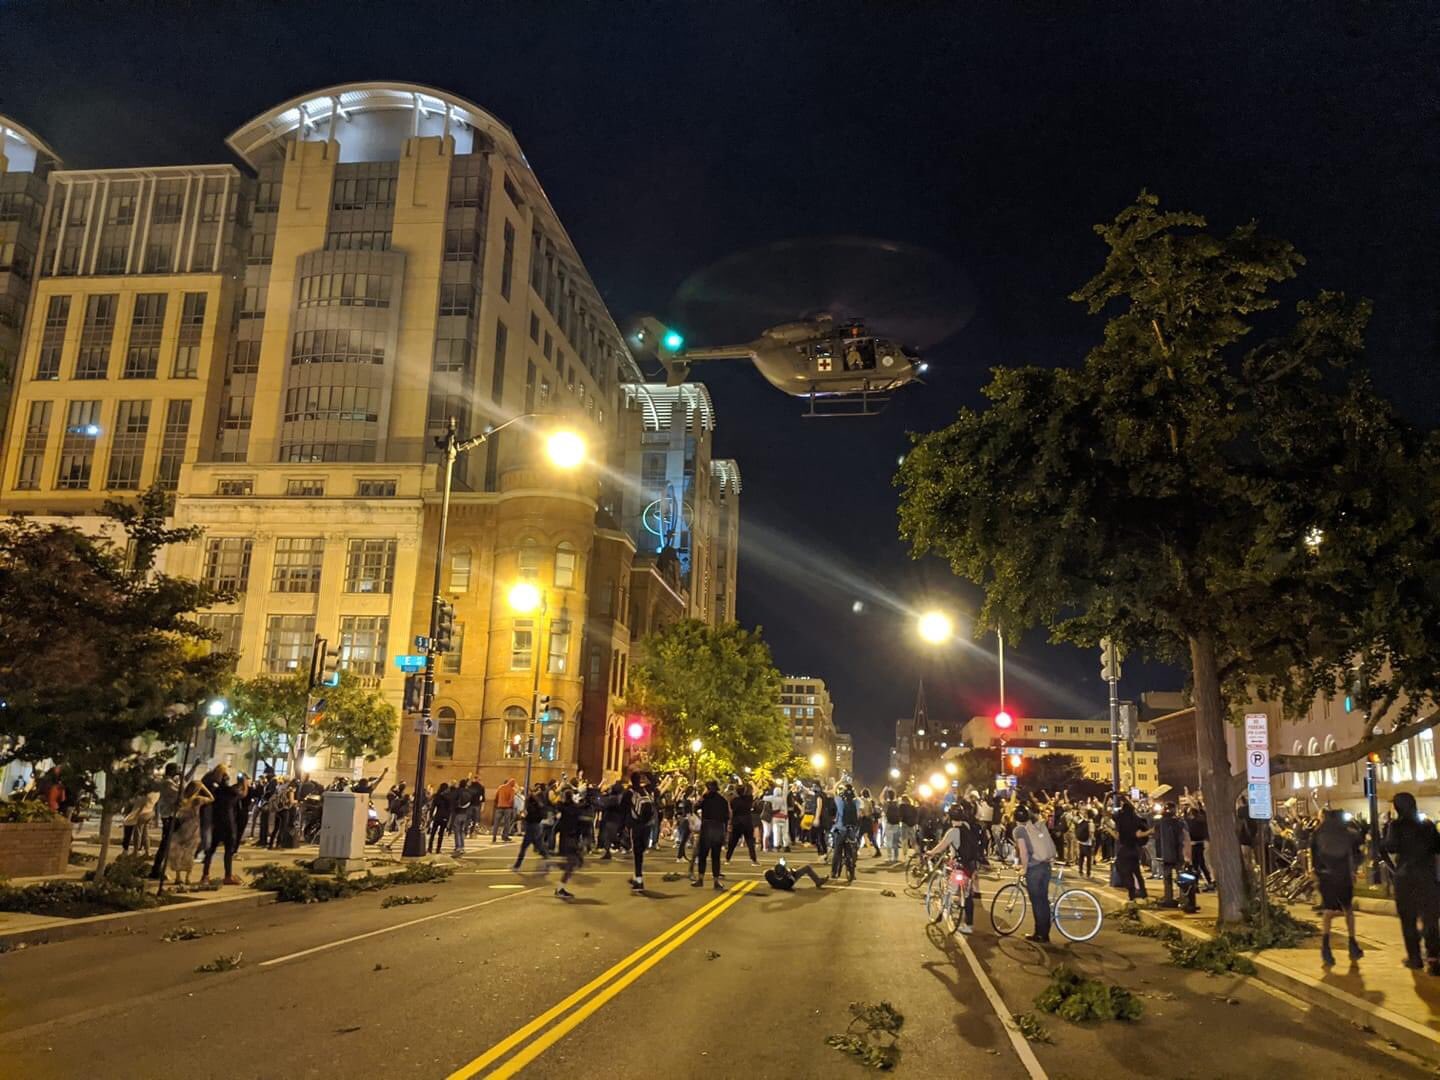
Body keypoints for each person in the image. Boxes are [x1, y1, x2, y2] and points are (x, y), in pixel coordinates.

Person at [1382, 792, 1440, 973]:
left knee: (1408, 920)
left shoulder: (1396, 826)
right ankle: (1434, 958)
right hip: (1426, 877)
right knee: (1430, 918)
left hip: (1406, 878)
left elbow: (1390, 846)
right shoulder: (1427, 825)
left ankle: (1415, 958)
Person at [1312, 808, 1364, 967]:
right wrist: (1354, 869)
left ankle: (1326, 946)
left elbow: (1314, 856)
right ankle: (1352, 942)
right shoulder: (1347, 833)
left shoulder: (1318, 833)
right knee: (1348, 909)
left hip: (1326, 876)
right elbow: (1356, 852)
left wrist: (1317, 873)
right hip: (1343, 876)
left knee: (1328, 911)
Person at [926, 803, 982, 934]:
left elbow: (941, 846)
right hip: (970, 866)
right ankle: (969, 925)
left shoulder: (952, 832)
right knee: (967, 896)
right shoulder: (966, 826)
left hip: (959, 866)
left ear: (950, 817)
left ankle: (942, 911)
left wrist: (930, 853)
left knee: (949, 891)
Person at [1014, 804, 1057, 944]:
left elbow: (1024, 852)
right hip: (1045, 866)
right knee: (1043, 900)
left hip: (1034, 869)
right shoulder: (1036, 825)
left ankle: (1039, 934)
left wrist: (1024, 868)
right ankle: (1044, 933)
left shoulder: (1020, 830)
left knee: (1037, 902)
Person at [200, 765, 248, 886]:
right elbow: (242, 794)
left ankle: (205, 875)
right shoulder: (230, 791)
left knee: (211, 850)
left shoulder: (215, 791)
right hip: (228, 823)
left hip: (217, 823)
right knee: (228, 851)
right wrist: (244, 782)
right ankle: (228, 875)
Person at [167, 780, 213, 889]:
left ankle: (178, 876)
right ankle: (187, 877)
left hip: (180, 828)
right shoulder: (197, 800)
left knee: (179, 852)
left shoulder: (181, 800)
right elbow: (212, 798)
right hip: (193, 828)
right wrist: (203, 788)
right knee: (190, 853)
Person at [693, 779, 730, 890]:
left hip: (707, 827)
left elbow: (694, 808)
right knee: (716, 856)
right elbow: (726, 817)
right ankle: (716, 881)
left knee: (703, 855)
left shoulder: (705, 799)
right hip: (718, 828)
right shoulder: (723, 800)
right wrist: (725, 833)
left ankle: (700, 879)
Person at [622, 772, 656, 891]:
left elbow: (623, 808)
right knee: (640, 853)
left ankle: (639, 880)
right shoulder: (645, 790)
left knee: (637, 853)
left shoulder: (629, 793)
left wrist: (623, 827)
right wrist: (646, 772)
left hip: (636, 825)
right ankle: (637, 878)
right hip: (647, 825)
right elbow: (654, 781)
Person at [148, 763, 182, 880]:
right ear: (172, 771)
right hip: (169, 816)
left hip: (171, 815)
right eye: (177, 769)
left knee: (168, 844)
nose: (179, 771)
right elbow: (181, 793)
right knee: (165, 845)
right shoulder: (168, 783)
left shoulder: (171, 782)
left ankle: (158, 869)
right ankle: (156, 870)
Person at [1113, 799, 1150, 900]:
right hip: (1135, 849)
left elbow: (1117, 837)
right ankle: (1143, 892)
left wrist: (1107, 797)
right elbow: (1140, 833)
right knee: (1137, 872)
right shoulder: (1136, 820)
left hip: (1124, 850)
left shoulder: (1120, 820)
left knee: (1126, 872)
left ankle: (1132, 893)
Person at [1155, 802, 1189, 909]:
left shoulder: (1160, 822)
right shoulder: (1180, 822)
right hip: (1178, 854)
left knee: (1167, 878)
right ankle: (1184, 898)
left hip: (1166, 855)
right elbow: (1185, 837)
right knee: (1181, 877)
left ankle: (1169, 898)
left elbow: (1155, 834)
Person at [554, 787, 585, 900]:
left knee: (571, 863)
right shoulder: (575, 808)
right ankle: (560, 889)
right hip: (572, 838)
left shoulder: (562, 808)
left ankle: (560, 888)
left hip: (565, 838)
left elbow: (557, 803)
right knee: (571, 864)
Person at [726, 782, 758, 864]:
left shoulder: (734, 801)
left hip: (737, 822)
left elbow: (731, 811)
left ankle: (728, 858)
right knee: (750, 842)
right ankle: (754, 860)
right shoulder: (749, 799)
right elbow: (755, 791)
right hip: (747, 821)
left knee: (733, 842)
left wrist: (730, 823)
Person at [1184, 802, 1212, 889]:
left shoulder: (1191, 823)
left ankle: (1195, 884)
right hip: (1201, 844)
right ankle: (1209, 881)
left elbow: (1185, 820)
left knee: (1195, 865)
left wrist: (1185, 811)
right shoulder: (1202, 821)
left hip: (1194, 844)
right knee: (1202, 864)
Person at [427, 782, 453, 855]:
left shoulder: (437, 796)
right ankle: (438, 849)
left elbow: (433, 807)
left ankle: (430, 848)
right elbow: (450, 808)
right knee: (441, 834)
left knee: (433, 833)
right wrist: (448, 818)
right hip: (445, 817)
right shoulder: (449, 797)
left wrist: (431, 816)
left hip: (437, 816)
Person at [451, 779, 473, 856]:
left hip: (458, 813)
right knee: (461, 830)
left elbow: (453, 800)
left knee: (457, 831)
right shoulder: (469, 792)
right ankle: (462, 846)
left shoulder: (458, 791)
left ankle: (458, 847)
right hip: (465, 813)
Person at [492, 777, 518, 842]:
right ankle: (505, 836)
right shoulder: (512, 790)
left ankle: (494, 836)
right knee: (507, 823)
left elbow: (496, 797)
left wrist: (496, 804)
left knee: (496, 823)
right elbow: (511, 800)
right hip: (507, 808)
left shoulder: (500, 787)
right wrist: (511, 806)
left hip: (499, 807)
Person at [766, 785, 790, 853]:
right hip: (784, 818)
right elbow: (785, 790)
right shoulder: (783, 798)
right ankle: (786, 846)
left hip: (776, 817)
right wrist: (785, 781)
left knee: (776, 832)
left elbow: (763, 797)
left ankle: (776, 846)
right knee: (785, 832)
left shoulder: (772, 798)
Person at [1074, 808, 1095, 878]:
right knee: (1089, 859)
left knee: (1081, 857)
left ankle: (1080, 871)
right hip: (1088, 843)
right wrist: (1093, 841)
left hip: (1081, 842)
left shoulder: (1081, 821)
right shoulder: (1091, 823)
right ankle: (1088, 873)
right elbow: (1091, 834)